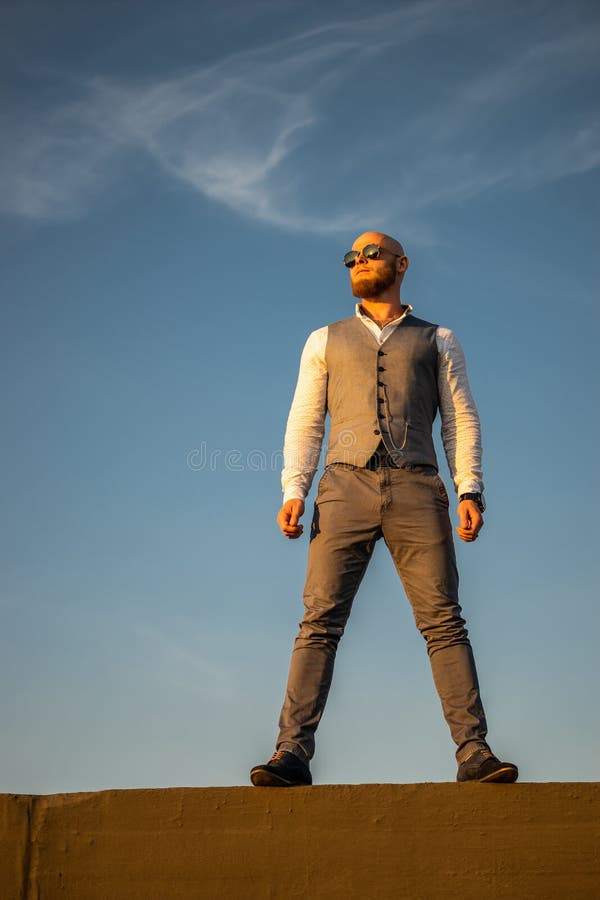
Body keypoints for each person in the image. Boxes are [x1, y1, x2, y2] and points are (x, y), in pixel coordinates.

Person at [250, 231, 518, 786]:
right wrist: (294, 489)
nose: (360, 261)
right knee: (319, 622)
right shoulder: (323, 339)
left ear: (401, 264)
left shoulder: (439, 339)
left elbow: (460, 418)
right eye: (352, 257)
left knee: (444, 621)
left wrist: (469, 489)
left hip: (418, 487)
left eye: (372, 253)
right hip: (342, 488)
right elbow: (306, 420)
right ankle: (291, 752)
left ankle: (474, 752)